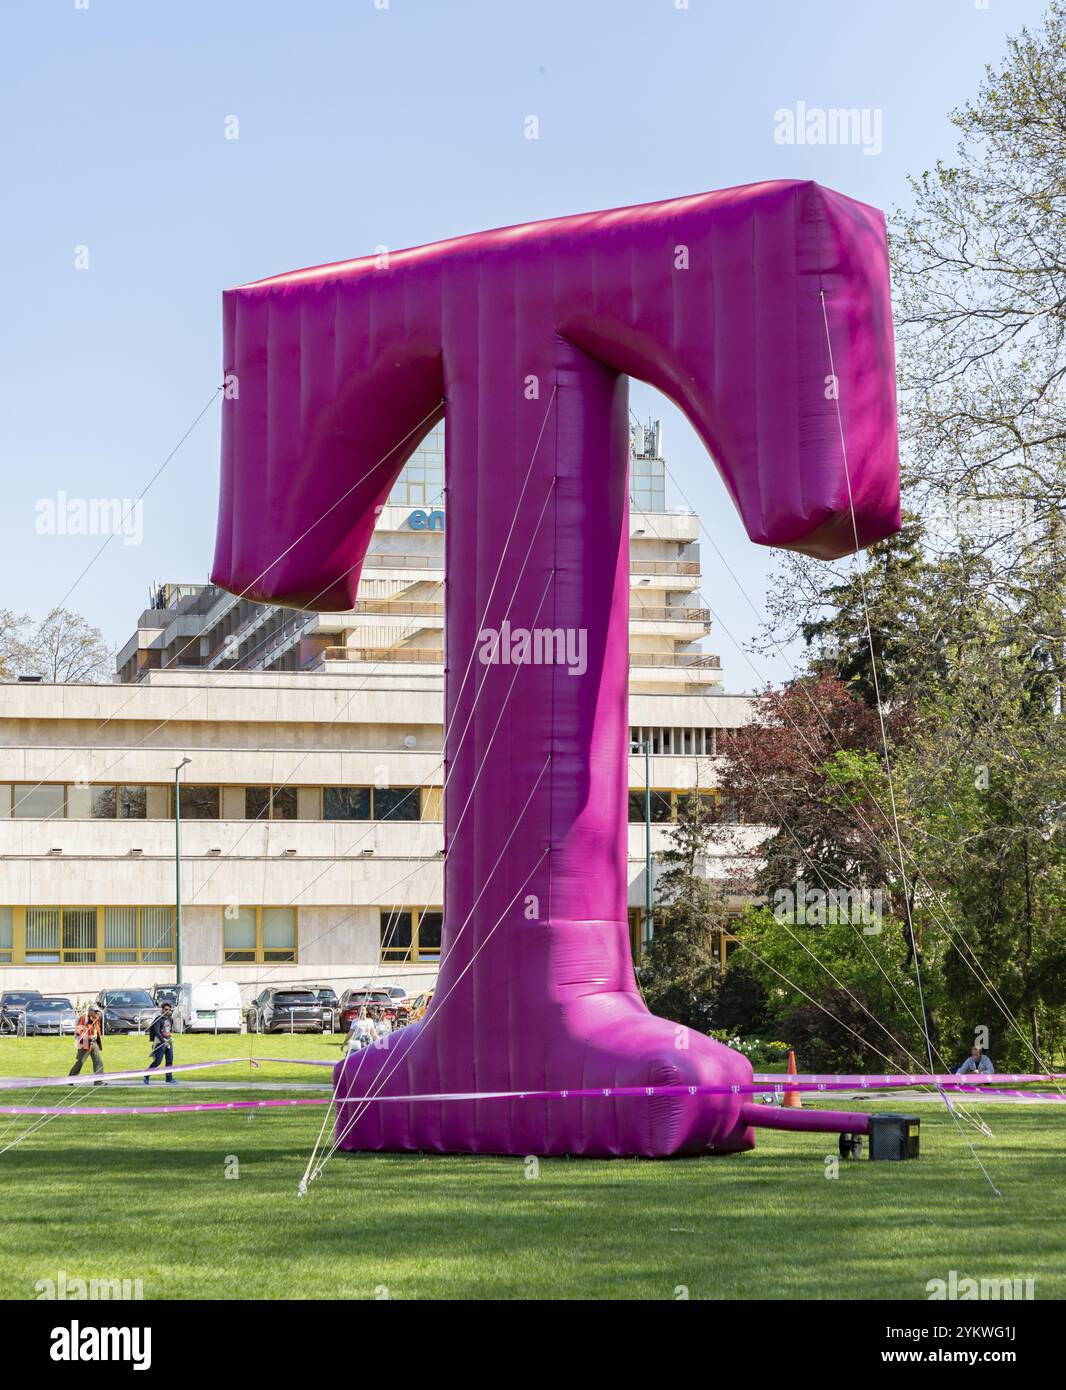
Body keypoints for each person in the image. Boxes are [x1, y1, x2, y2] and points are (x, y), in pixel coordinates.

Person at [69, 1006, 105, 1086]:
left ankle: (98, 1082)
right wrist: (88, 1037)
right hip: (84, 1042)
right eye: (95, 1011)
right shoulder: (83, 1018)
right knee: (80, 1062)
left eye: (97, 1011)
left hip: (94, 1042)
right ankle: (70, 1079)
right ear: (90, 1011)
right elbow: (79, 1031)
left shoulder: (96, 1019)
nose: (97, 1013)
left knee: (98, 1061)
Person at [144, 1002, 177, 1085]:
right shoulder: (158, 1019)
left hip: (168, 1041)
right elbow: (156, 1031)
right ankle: (146, 1075)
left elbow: (168, 1030)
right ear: (162, 1010)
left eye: (169, 1010)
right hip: (160, 1042)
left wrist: (169, 1039)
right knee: (158, 1061)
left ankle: (169, 1078)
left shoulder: (170, 1019)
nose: (168, 1011)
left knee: (169, 1060)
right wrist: (163, 1041)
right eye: (166, 1009)